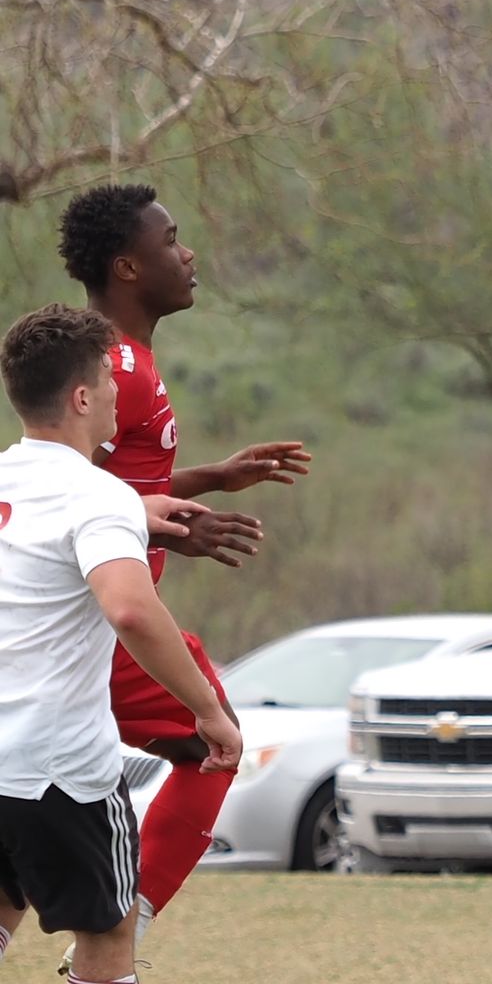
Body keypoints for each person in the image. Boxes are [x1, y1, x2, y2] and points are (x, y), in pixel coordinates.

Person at [54, 184, 310, 959]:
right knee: (217, 743)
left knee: (16, 859)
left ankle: (114, 920)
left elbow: (109, 485)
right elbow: (67, 498)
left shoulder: (125, 359)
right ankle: (124, 920)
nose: (188, 252)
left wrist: (202, 481)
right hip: (99, 624)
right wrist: (158, 518)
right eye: (171, 240)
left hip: (82, 627)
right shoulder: (114, 367)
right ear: (129, 266)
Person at [0, 303, 243, 984]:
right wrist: (208, 710)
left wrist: (136, 511)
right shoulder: (95, 495)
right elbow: (132, 611)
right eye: (107, 379)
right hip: (61, 772)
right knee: (107, 937)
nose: (116, 391)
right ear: (81, 398)